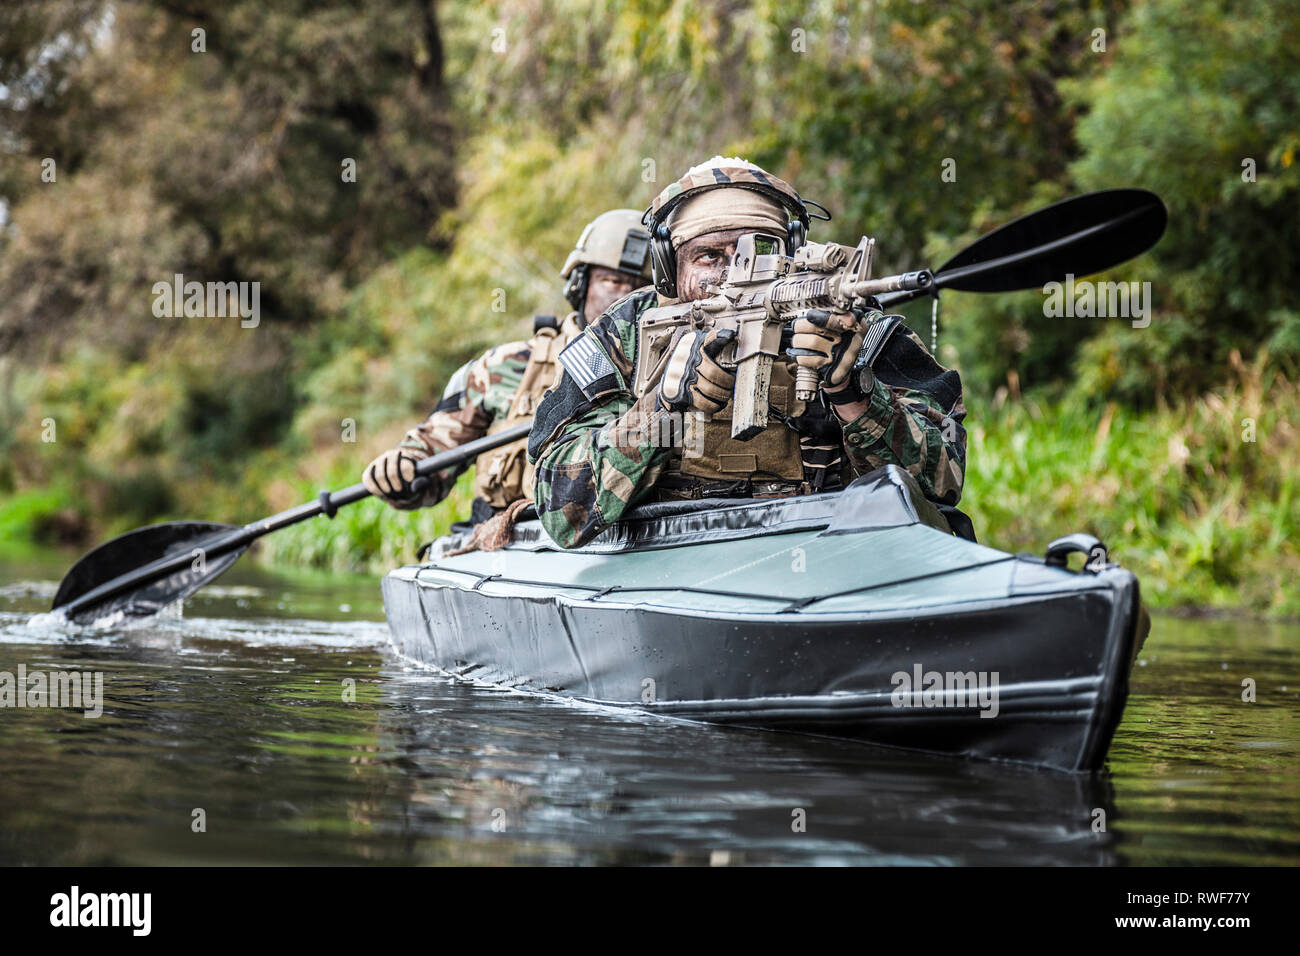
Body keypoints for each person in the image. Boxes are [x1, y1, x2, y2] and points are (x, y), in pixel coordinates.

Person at [528, 156, 967, 549]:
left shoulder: (857, 332)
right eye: (708, 255)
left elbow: (943, 483)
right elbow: (559, 509)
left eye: (759, 250)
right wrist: (660, 412)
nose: (732, 272)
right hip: (671, 564)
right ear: (669, 266)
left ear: (792, 250)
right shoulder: (626, 334)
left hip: (826, 557)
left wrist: (855, 395)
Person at [361, 209, 653, 525]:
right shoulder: (504, 368)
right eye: (612, 281)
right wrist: (402, 467)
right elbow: (430, 462)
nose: (627, 298)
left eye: (643, 288)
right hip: (512, 542)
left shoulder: (670, 372)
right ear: (579, 285)